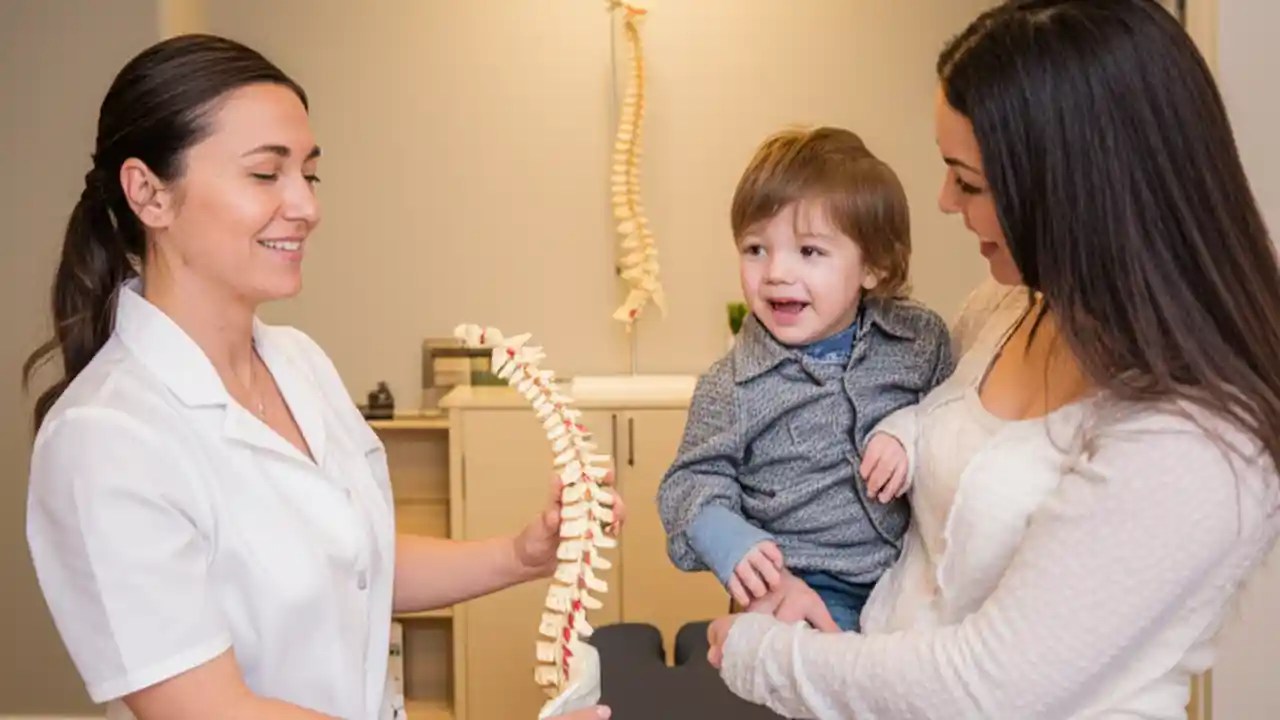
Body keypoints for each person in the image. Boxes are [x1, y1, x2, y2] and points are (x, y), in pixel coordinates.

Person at [706, 1, 1280, 717]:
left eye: (969, 181)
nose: (945, 201)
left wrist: (762, 651)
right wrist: (775, 576)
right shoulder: (1008, 309)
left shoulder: (1198, 440)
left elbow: (988, 688)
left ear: (1073, 190)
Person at [22, 34, 618, 720]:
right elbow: (213, 711)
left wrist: (521, 554)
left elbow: (352, 560)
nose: (306, 206)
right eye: (265, 174)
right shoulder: (105, 440)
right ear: (149, 194)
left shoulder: (300, 363)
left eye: (310, 173)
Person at [657, 126, 952, 633]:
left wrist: (909, 429)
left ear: (874, 267)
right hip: (805, 589)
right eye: (755, 249)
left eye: (809, 252)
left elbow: (958, 412)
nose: (775, 272)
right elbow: (687, 483)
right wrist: (731, 541)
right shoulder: (730, 388)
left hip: (916, 576)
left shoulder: (918, 341)